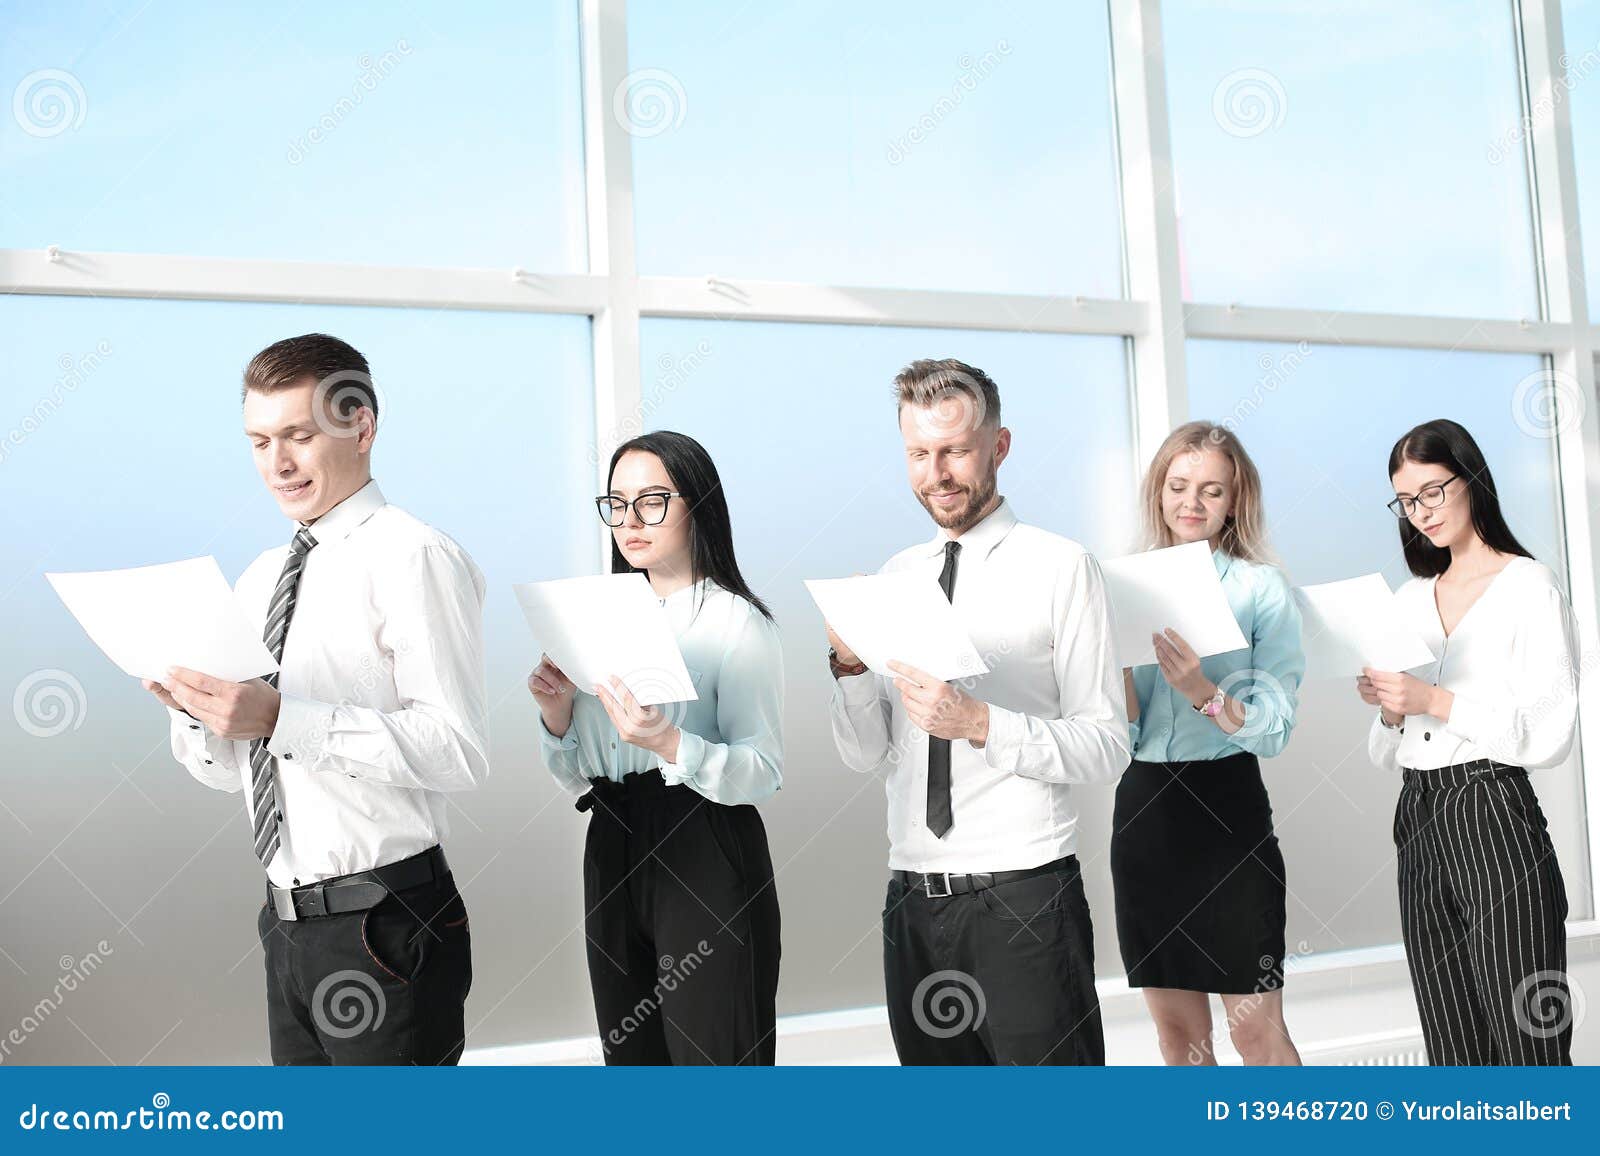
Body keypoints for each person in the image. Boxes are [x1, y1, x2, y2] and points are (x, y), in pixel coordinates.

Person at [145, 333, 486, 1065]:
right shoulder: (261, 576)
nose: (278, 463)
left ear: (361, 425)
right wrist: (197, 714)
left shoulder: (413, 555)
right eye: (260, 440)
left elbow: (455, 751)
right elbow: (225, 772)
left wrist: (281, 718)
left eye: (299, 435)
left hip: (385, 927)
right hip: (285, 924)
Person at [826, 358, 1128, 1065]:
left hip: (1023, 901)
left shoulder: (1063, 567)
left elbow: (1107, 744)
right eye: (920, 455)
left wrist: (981, 722)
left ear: (999, 445)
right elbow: (867, 754)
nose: (939, 474)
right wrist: (847, 669)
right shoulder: (898, 577)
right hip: (913, 902)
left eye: (956, 450)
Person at [530, 430, 783, 1065]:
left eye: (651, 501)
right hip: (612, 838)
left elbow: (764, 771)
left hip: (704, 838)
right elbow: (581, 776)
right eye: (616, 503)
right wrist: (558, 716)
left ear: (697, 504)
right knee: (632, 1057)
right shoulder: (601, 620)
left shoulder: (736, 622)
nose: (629, 521)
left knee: (716, 1056)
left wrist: (671, 742)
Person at [1361, 418, 1575, 1065]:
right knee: (1452, 1047)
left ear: (1471, 478)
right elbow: (1384, 749)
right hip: (1419, 813)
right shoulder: (1410, 596)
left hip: (1492, 811)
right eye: (1405, 500)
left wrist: (1433, 700)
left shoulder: (1528, 587)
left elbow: (1549, 730)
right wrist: (1391, 710)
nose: (1420, 512)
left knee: (1526, 1045)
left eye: (1431, 492)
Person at [1113, 421, 1305, 1065]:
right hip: (1145, 811)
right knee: (1178, 1039)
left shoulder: (1261, 589)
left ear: (1234, 501)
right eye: (1178, 486)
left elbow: (1275, 728)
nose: (1191, 502)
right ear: (1158, 493)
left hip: (1227, 810)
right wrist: (1111, 677)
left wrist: (1206, 694)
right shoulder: (1124, 585)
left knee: (1257, 1031)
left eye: (1212, 490)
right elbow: (1124, 732)